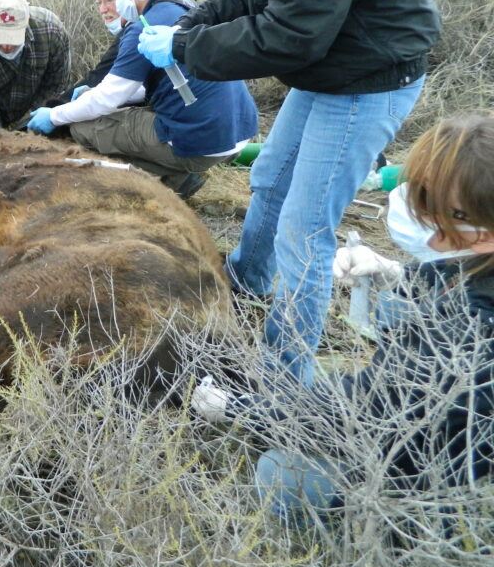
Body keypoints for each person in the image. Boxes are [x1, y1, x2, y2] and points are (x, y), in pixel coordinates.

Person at [142, 0, 442, 383]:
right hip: (332, 67)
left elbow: (294, 33)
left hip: (365, 76)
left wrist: (185, 46)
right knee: (272, 178)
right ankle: (249, 280)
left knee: (304, 230)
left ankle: (285, 385)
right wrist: (193, 21)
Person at [192, 113, 494, 523]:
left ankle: (378, 535)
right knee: (394, 302)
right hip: (444, 404)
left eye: (452, 219)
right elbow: (459, 274)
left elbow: (354, 418)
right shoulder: (477, 264)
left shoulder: (468, 330)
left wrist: (238, 407)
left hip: (446, 471)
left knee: (282, 473)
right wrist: (393, 273)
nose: (434, 234)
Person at [27, 0, 258, 198]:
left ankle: (163, 181)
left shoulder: (143, 27)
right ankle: (177, 174)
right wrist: (93, 92)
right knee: (115, 113)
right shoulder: (185, 8)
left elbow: (107, 99)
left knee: (84, 127)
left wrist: (55, 116)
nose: (113, 1)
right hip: (237, 131)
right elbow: (166, 81)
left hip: (199, 142)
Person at [0, 0, 72, 131]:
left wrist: (27, 124)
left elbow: (56, 86)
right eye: (0, 39)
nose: (7, 46)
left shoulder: (51, 31)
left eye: (12, 38)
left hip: (37, 109)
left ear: (26, 24)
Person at [49, 0, 128, 108]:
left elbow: (99, 77)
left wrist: (54, 110)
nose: (103, 9)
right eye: (99, 2)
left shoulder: (136, 30)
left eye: (110, 0)